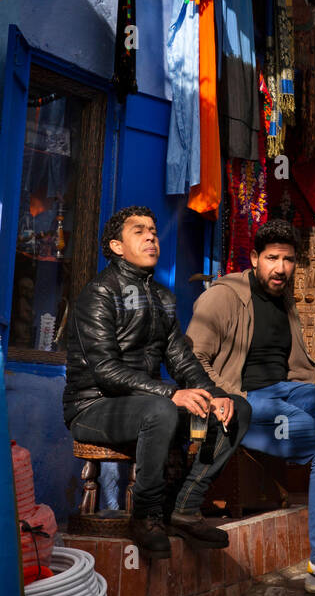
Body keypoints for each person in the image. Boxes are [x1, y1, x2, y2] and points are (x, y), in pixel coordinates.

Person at [186, 218, 315, 596]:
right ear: (254, 258)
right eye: (271, 258)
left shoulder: (284, 300)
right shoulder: (223, 295)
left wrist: (312, 394)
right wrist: (220, 396)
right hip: (243, 399)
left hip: (286, 391)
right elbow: (192, 355)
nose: (280, 267)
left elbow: (297, 366)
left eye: (288, 259)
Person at [63, 207, 251, 560]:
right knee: (161, 410)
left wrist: (216, 396)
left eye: (153, 230)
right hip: (92, 407)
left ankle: (184, 507)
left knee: (237, 409)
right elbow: (105, 370)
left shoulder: (163, 299)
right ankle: (147, 515)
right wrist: (171, 394)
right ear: (117, 246)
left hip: (147, 405)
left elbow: (183, 361)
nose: (151, 236)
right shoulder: (99, 293)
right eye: (139, 231)